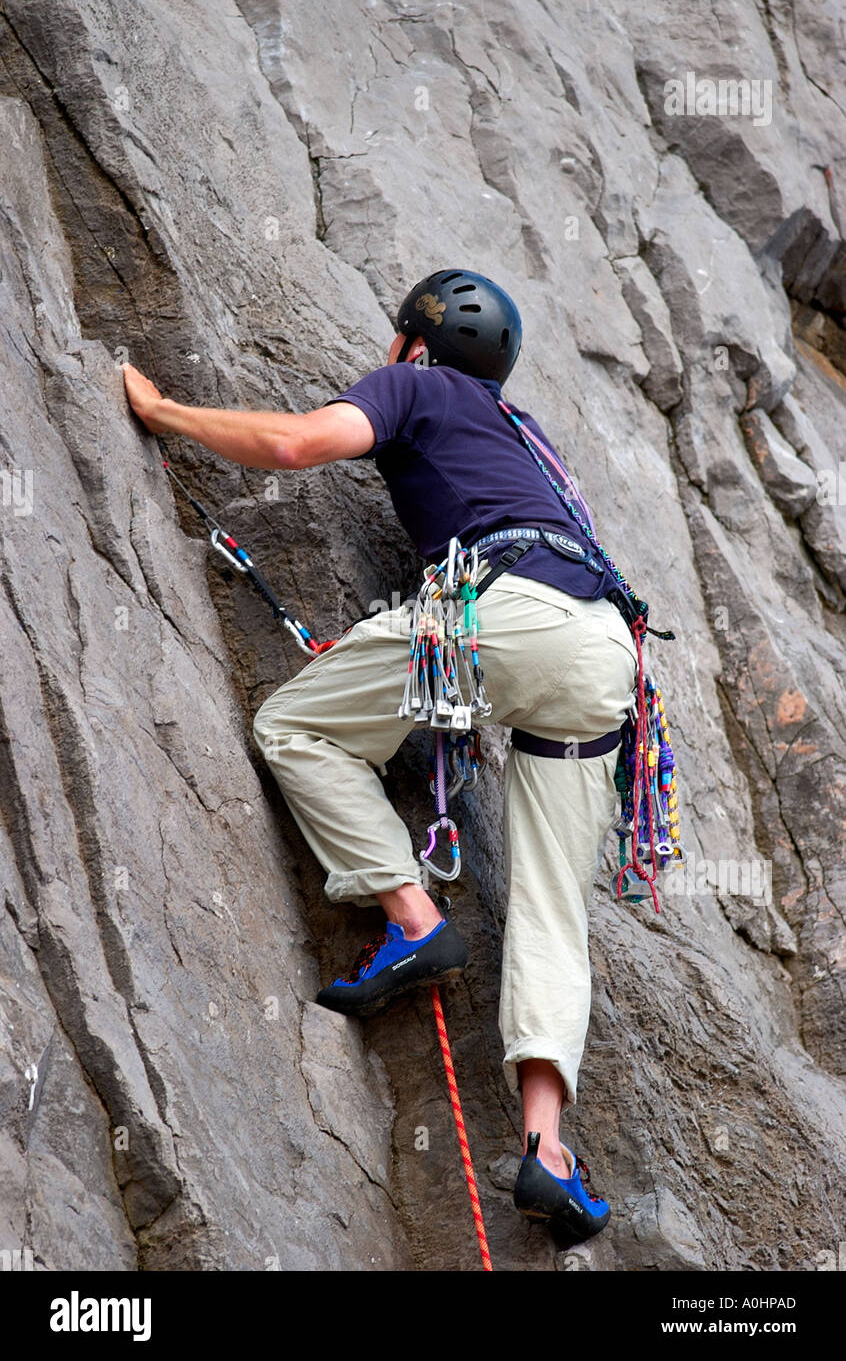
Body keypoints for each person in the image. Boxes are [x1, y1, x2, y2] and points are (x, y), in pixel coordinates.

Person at [122, 268, 638, 1240]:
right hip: (604, 649)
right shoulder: (527, 437)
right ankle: (547, 1151)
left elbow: (296, 442)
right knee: (551, 904)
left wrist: (169, 412)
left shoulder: (414, 385)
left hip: (503, 617)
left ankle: (410, 916)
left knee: (295, 725)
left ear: (413, 343)